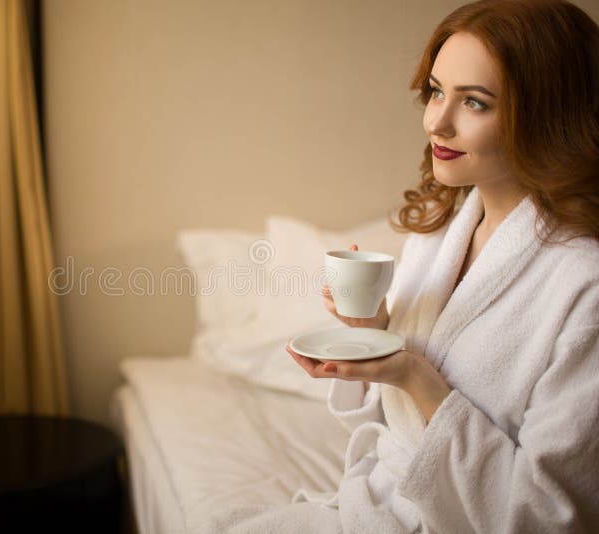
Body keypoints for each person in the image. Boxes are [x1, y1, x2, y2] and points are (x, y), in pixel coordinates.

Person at [205, 0, 599, 532]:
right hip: (380, 501)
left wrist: (416, 376)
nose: (437, 121)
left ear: (550, 115)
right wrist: (377, 336)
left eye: (475, 103)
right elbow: (396, 427)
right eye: (436, 91)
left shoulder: (583, 284)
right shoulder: (439, 234)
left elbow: (551, 517)